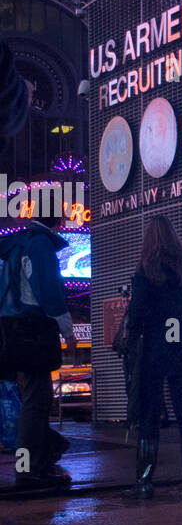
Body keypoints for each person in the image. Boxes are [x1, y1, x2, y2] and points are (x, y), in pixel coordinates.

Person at [123, 215, 182, 497]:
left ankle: (144, 483)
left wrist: (130, 337)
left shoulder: (145, 271)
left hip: (155, 351)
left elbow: (137, 312)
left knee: (149, 414)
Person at [0, 206, 74, 493]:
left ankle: (37, 461)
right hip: (34, 329)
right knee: (36, 400)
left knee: (34, 397)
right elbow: (48, 291)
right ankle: (29, 469)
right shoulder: (40, 244)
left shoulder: (18, 243)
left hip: (13, 329)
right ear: (55, 218)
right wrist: (67, 330)